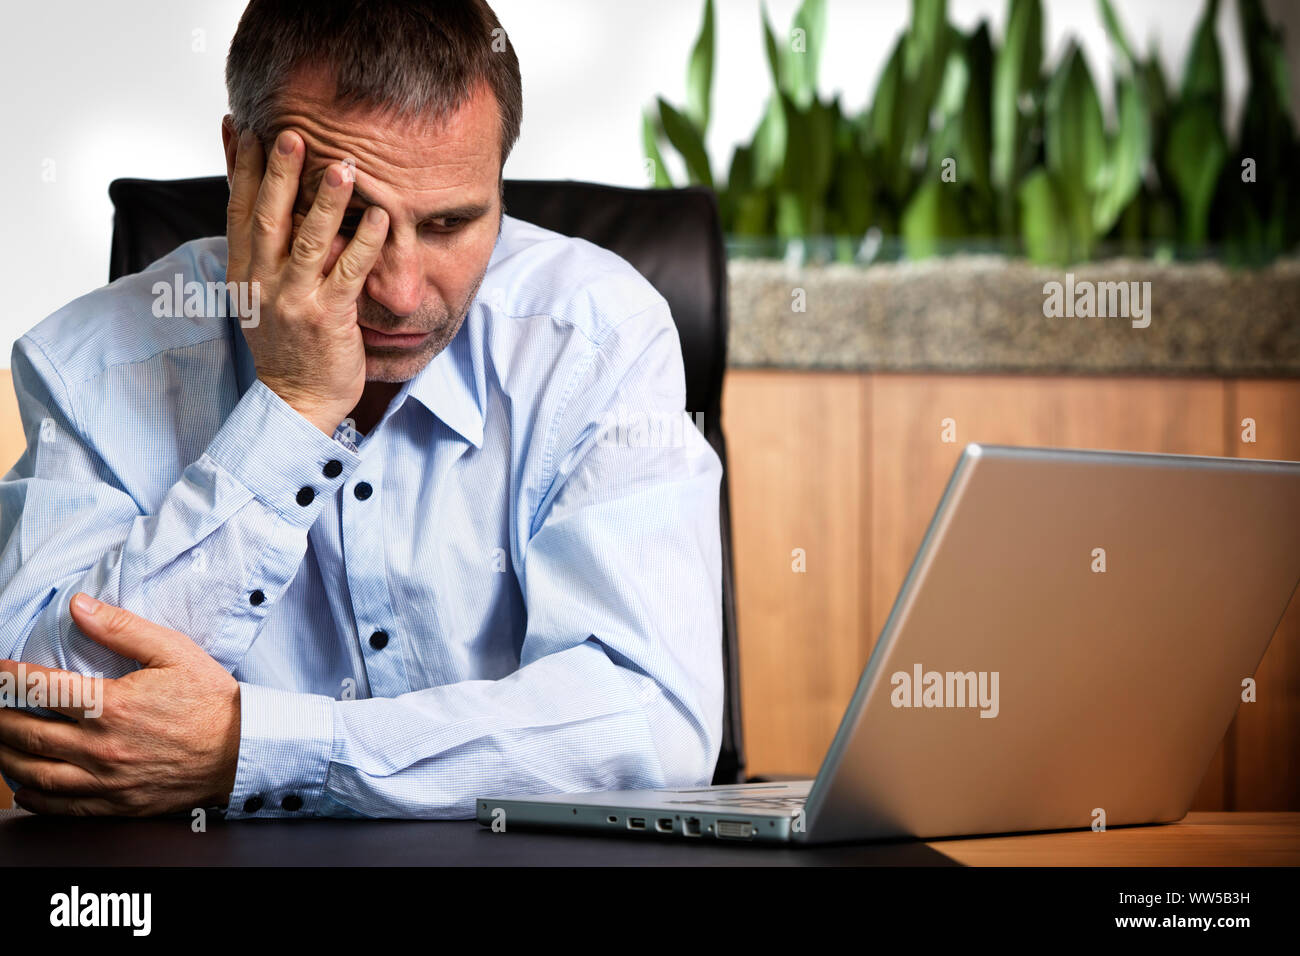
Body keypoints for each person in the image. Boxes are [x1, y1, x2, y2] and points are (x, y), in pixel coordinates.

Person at [0, 0, 723, 819]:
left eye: (452, 223)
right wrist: (292, 408)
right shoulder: (94, 364)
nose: (402, 291)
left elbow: (650, 727)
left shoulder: (598, 338)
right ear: (242, 163)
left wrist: (254, 745)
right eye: (345, 219)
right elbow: (45, 720)